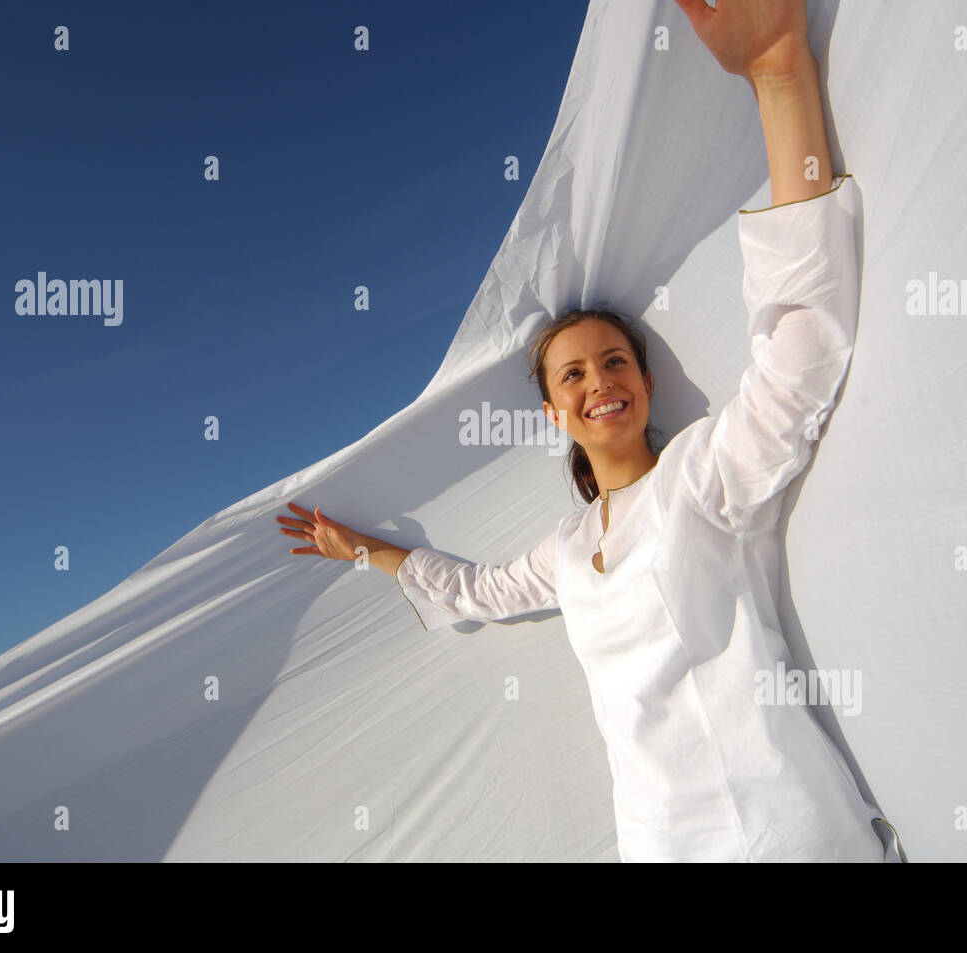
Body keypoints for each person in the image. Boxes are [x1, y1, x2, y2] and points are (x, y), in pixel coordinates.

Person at [277, 0, 906, 862]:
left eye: (614, 362)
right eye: (573, 374)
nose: (599, 382)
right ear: (552, 414)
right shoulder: (570, 549)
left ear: (645, 382)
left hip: (788, 835)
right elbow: (479, 591)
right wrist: (361, 549)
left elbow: (800, 351)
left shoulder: (700, 474)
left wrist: (777, 73)